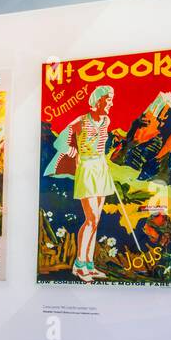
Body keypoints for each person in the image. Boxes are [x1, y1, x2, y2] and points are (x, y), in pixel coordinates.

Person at [49, 85, 119, 281]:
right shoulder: (80, 122)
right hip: (86, 170)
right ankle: (79, 265)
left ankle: (89, 264)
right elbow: (60, 143)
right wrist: (74, 153)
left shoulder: (106, 121)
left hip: (101, 169)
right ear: (98, 101)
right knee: (91, 219)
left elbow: (101, 145)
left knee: (96, 221)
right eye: (108, 99)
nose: (111, 103)